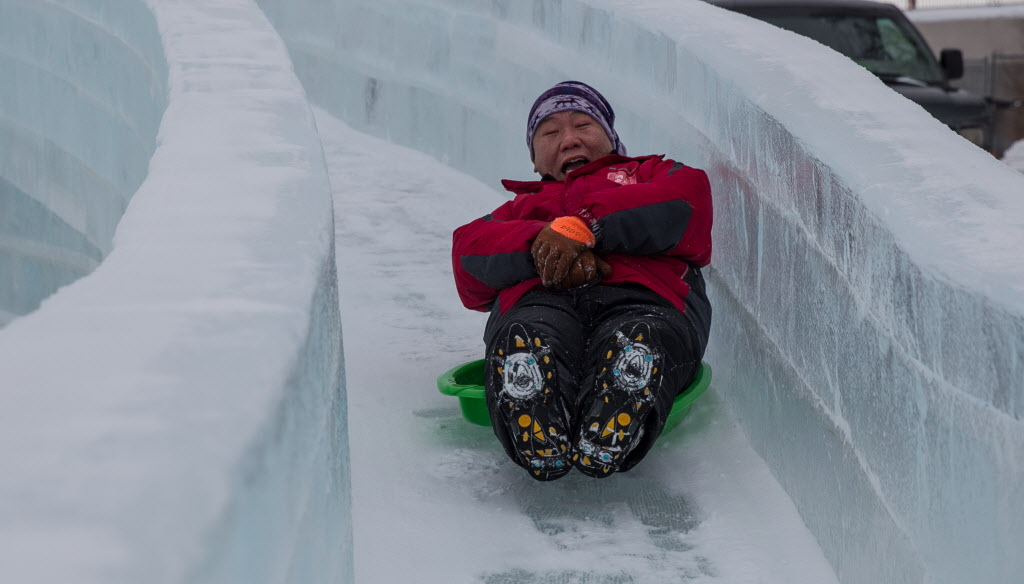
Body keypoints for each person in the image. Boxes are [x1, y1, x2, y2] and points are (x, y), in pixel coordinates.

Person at [451, 81, 712, 481]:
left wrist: (587, 225)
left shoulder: (648, 173)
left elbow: (686, 201)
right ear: (535, 160)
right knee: (529, 333)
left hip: (645, 298)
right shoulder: (520, 207)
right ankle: (535, 404)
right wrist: (544, 246)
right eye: (550, 132)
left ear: (612, 139)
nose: (569, 139)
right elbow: (469, 255)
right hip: (544, 301)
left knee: (640, 335)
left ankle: (620, 399)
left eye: (583, 126)